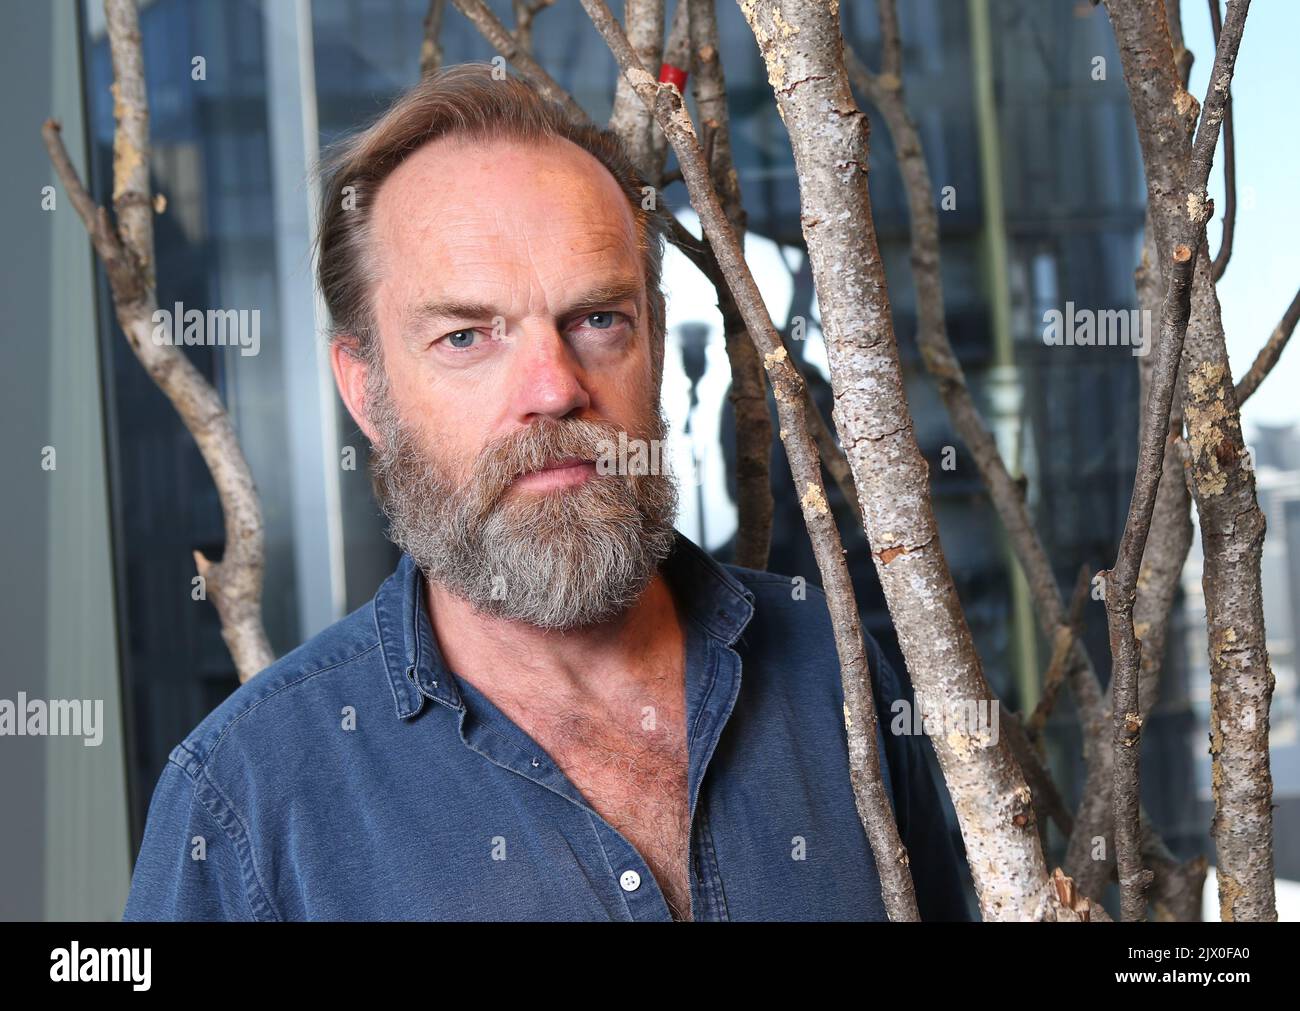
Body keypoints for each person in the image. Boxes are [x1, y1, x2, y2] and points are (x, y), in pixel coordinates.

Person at [123, 63, 971, 922]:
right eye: (465, 336)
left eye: (599, 319)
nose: (554, 387)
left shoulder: (834, 672)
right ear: (366, 390)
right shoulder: (246, 803)